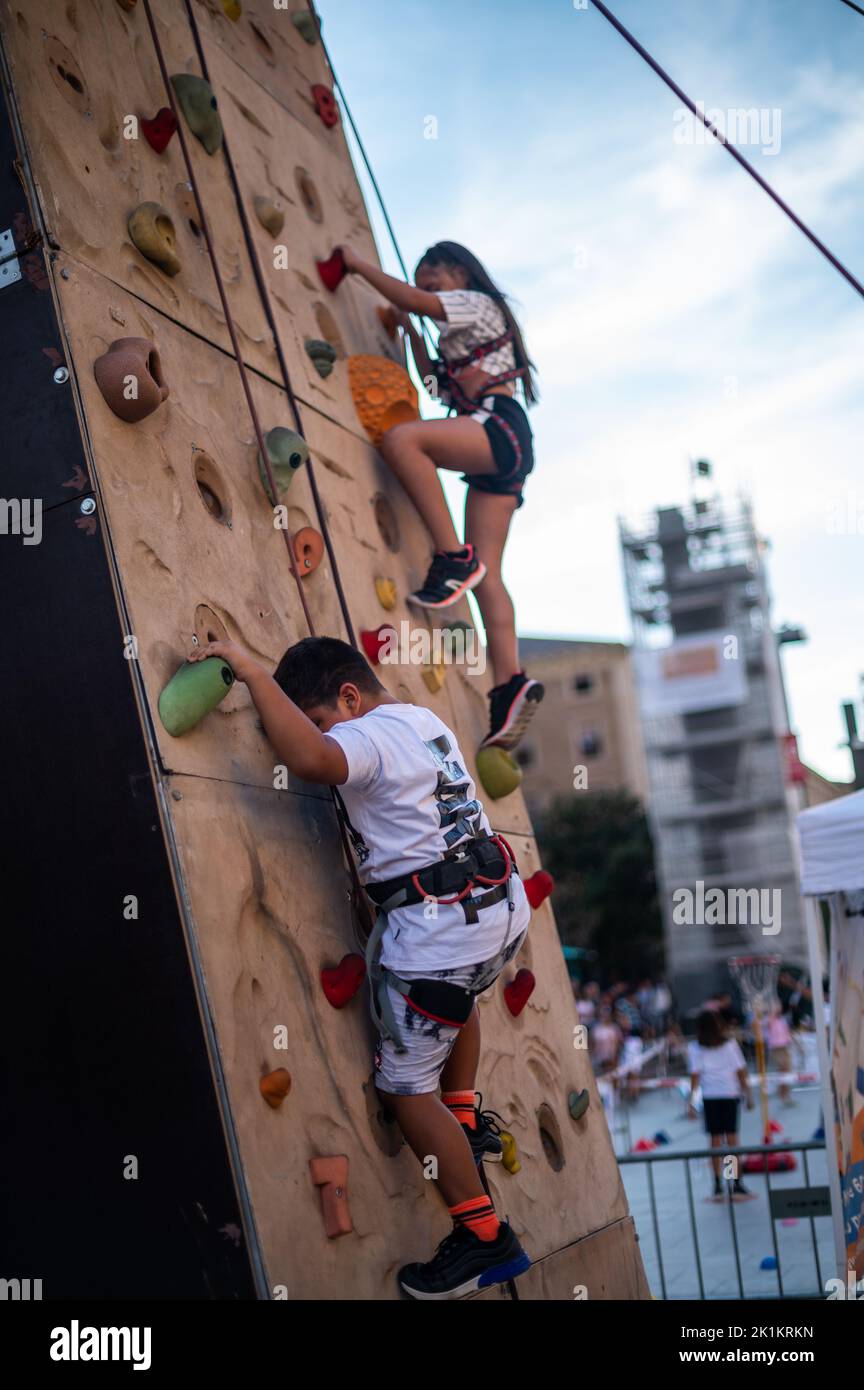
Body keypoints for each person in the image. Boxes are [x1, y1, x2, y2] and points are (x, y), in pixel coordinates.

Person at [187, 634, 531, 1299]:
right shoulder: (422, 722)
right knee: (461, 1002)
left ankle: (485, 1237)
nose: (318, 732)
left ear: (348, 696)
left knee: (404, 1089)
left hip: (436, 931)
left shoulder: (367, 734)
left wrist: (252, 673)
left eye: (317, 716)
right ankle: (462, 1116)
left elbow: (315, 758)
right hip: (496, 912)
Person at [338, 240, 543, 751]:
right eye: (422, 279)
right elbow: (436, 386)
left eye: (434, 278)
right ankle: (509, 684)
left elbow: (418, 303)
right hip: (502, 446)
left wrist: (358, 267)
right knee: (489, 576)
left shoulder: (480, 304)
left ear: (460, 271)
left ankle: (452, 557)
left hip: (496, 427)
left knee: (404, 440)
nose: (427, 288)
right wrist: (411, 336)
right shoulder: (462, 339)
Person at [687, 1009, 755, 1201]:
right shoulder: (730, 1044)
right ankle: (735, 1181)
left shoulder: (695, 1047)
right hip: (729, 1094)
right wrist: (748, 1094)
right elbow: (741, 1071)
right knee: (732, 1140)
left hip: (710, 1096)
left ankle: (717, 1183)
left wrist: (691, 1102)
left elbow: (695, 1076)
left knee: (715, 1141)